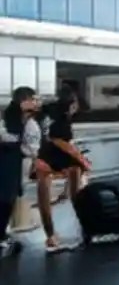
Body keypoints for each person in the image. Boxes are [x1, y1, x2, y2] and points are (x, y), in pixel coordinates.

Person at [32, 86, 91, 253]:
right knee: (77, 195)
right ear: (72, 104)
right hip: (62, 157)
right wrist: (82, 160)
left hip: (43, 155)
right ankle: (87, 228)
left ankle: (50, 236)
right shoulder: (64, 119)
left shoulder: (44, 113)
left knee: (43, 196)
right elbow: (64, 144)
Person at [0, 87, 43, 257]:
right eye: (32, 99)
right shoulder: (18, 119)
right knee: (6, 199)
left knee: (7, 198)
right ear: (23, 101)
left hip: (11, 162)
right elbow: (27, 147)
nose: (35, 102)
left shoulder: (13, 116)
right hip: (11, 164)